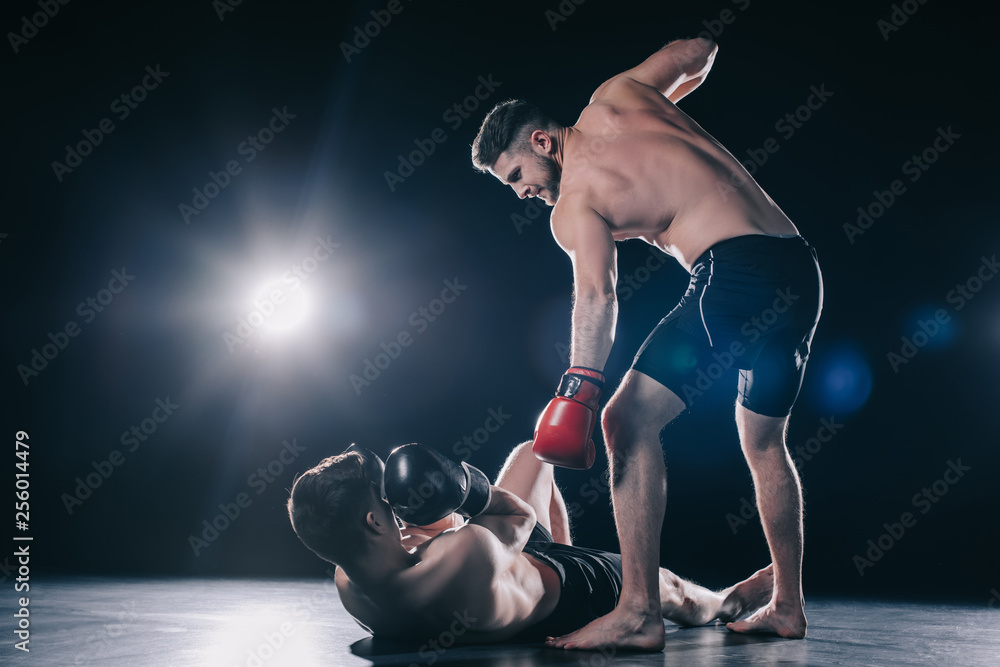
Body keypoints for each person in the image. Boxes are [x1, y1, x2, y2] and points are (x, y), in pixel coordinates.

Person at [470, 36, 823, 650]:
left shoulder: (574, 203)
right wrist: (668, 110)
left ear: (543, 141)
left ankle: (638, 611)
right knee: (765, 442)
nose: (523, 194)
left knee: (624, 423)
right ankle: (787, 606)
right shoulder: (622, 95)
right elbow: (700, 48)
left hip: (734, 275)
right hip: (797, 265)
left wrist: (578, 385)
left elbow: (599, 297)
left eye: (518, 176)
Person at [286, 441, 773, 646]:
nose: (394, 496)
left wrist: (409, 534)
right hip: (571, 590)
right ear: (374, 521)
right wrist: (461, 485)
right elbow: (520, 514)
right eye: (384, 495)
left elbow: (410, 574)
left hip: (499, 580)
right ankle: (729, 603)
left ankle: (570, 549)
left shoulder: (348, 579)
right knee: (671, 591)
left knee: (534, 454)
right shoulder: (460, 553)